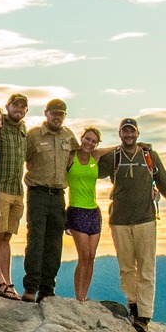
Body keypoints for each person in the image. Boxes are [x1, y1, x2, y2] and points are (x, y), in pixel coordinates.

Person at [100, 116, 166, 332]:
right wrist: (113, 148)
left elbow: (165, 183)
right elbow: (91, 160)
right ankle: (133, 304)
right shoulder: (113, 157)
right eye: (124, 132)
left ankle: (144, 315)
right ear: (119, 134)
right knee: (127, 267)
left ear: (138, 133)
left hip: (146, 219)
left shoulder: (150, 156)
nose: (128, 135)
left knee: (146, 268)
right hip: (119, 220)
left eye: (132, 132)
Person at [21, 98, 78, 300]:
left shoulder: (68, 136)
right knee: (36, 240)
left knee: (55, 243)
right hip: (38, 193)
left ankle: (47, 289)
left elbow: (78, 156)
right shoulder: (34, 136)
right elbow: (21, 158)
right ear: (46, 113)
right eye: (54, 113)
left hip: (58, 196)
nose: (57, 117)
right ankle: (30, 287)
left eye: (61, 114)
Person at [0, 93, 30, 299]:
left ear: (26, 111)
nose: (18, 109)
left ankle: (8, 282)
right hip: (0, 189)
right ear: (8, 106)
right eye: (15, 106)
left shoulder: (23, 129)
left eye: (22, 107)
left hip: (17, 191)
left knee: (6, 237)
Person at [63, 125, 106, 301]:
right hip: (76, 210)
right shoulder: (70, 157)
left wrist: (140, 145)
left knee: (92, 257)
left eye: (94, 141)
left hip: (94, 212)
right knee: (84, 255)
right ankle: (78, 296)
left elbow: (116, 148)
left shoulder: (95, 157)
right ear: (81, 139)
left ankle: (84, 295)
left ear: (97, 144)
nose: (90, 143)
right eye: (87, 139)